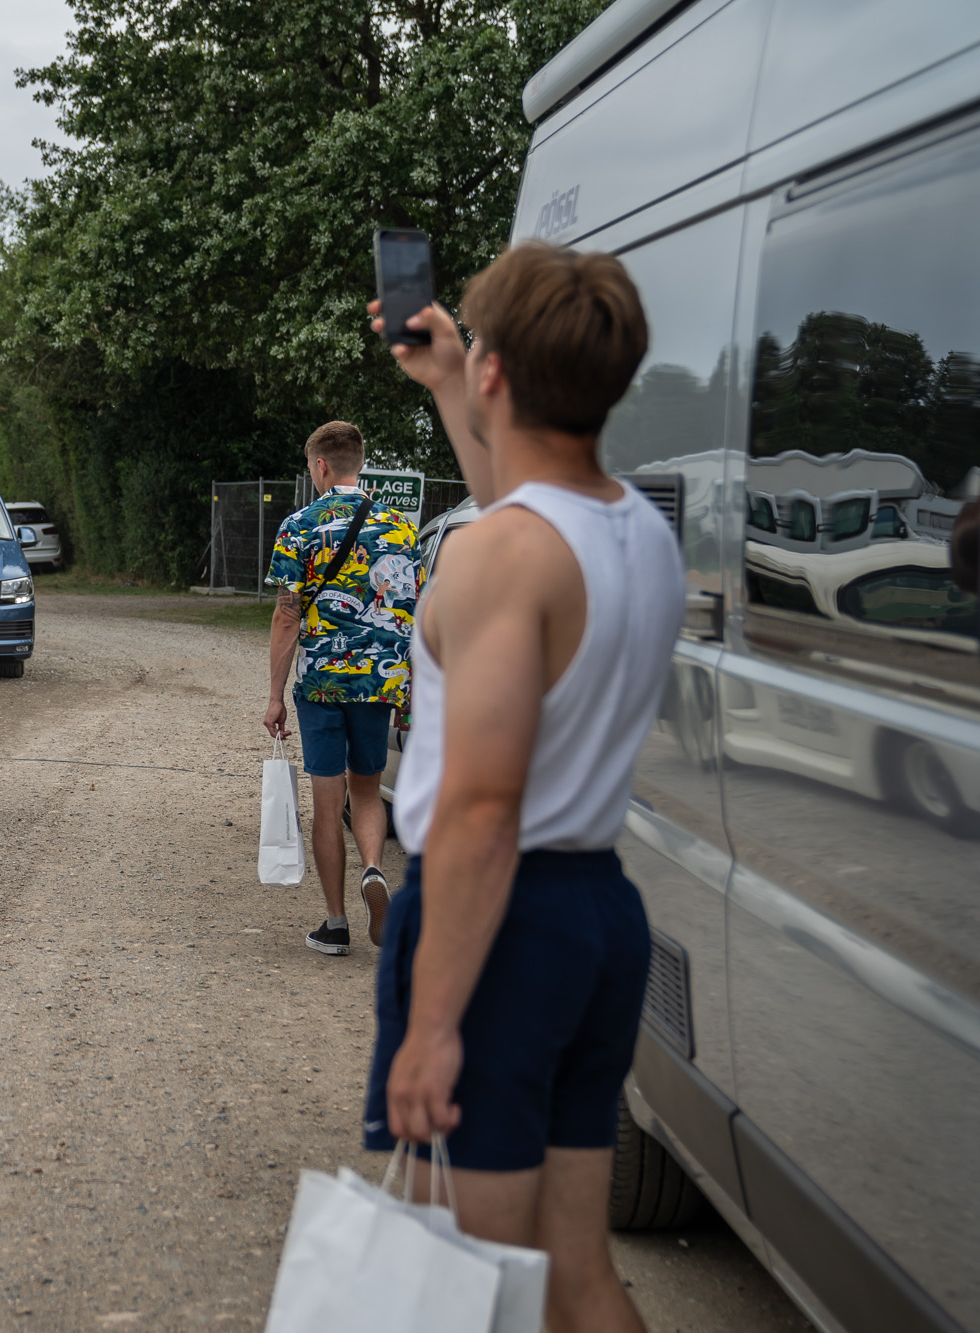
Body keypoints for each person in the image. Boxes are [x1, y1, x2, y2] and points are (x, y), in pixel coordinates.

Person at [364, 242, 682, 1333]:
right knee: (569, 1268)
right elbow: (531, 513)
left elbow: (483, 806)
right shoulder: (635, 531)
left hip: (499, 920)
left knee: (466, 1279)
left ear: (503, 371)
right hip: (595, 909)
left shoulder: (501, 554)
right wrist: (453, 379)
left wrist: (434, 1022)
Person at [262, 421, 420, 956]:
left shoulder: (300, 525)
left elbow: (287, 616)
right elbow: (410, 610)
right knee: (368, 791)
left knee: (327, 801)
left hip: (322, 684)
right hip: (378, 683)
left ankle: (336, 924)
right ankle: (374, 869)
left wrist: (274, 694)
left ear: (322, 466)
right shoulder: (401, 527)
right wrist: (406, 682)